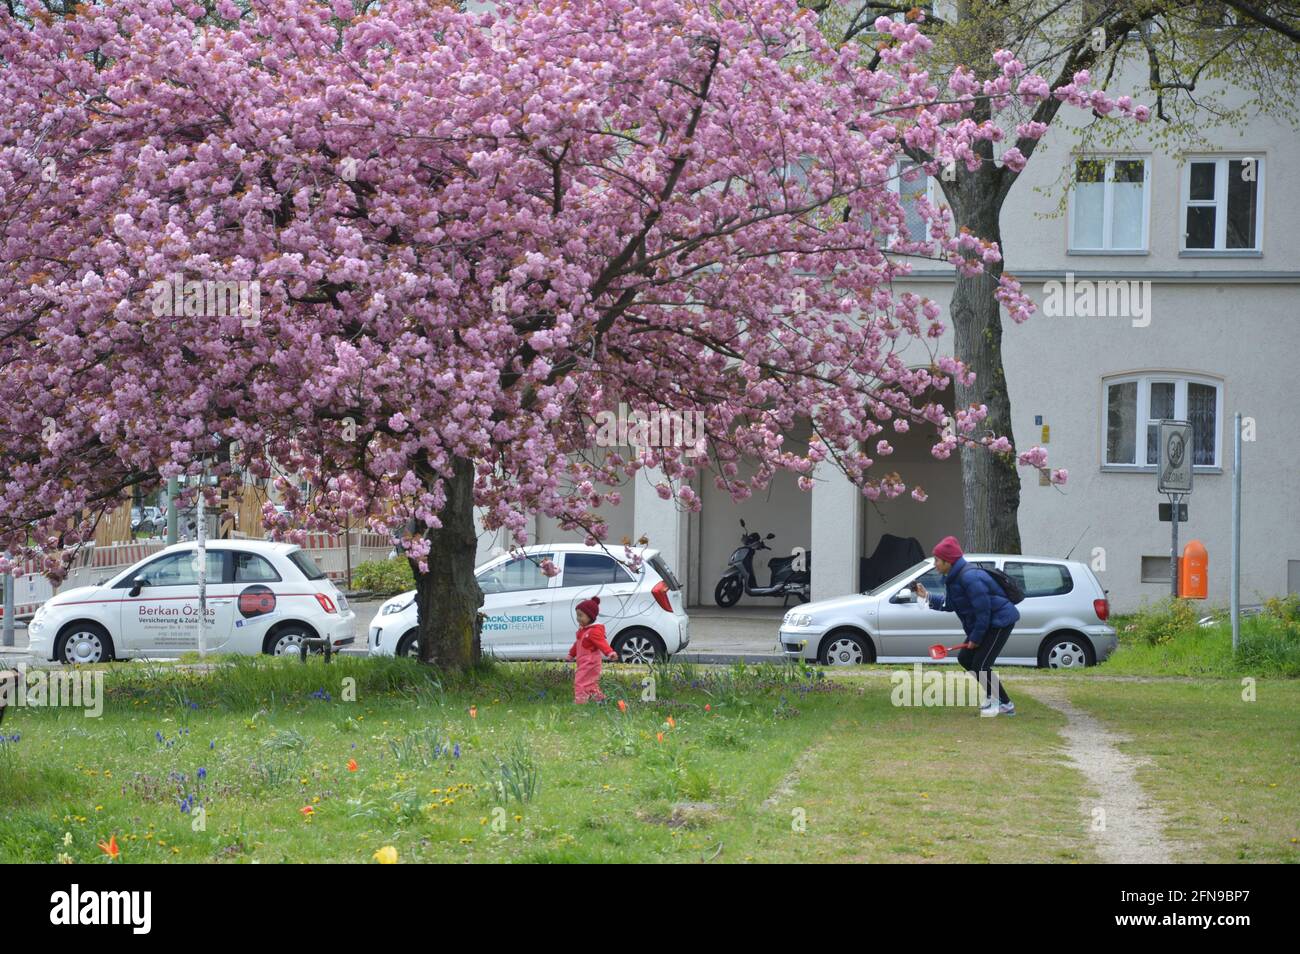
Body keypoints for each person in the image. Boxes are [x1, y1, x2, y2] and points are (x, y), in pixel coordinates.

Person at [913, 536, 1019, 717]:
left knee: (981, 664)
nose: (935, 564)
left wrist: (976, 639)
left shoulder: (970, 578)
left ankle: (1005, 704)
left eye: (937, 560)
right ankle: (991, 695)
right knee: (965, 659)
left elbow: (984, 611)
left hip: (1000, 621)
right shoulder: (954, 578)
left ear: (949, 561)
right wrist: (928, 596)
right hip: (986, 623)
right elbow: (951, 604)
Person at [566, 597, 618, 704]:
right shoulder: (583, 630)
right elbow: (577, 644)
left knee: (580, 681)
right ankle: (600, 699)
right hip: (585, 662)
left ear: (590, 616)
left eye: (581, 615)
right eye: (577, 615)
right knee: (590, 683)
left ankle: (580, 702)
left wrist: (609, 652)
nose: (578, 618)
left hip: (591, 662)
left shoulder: (593, 631)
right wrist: (571, 654)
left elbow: (601, 642)